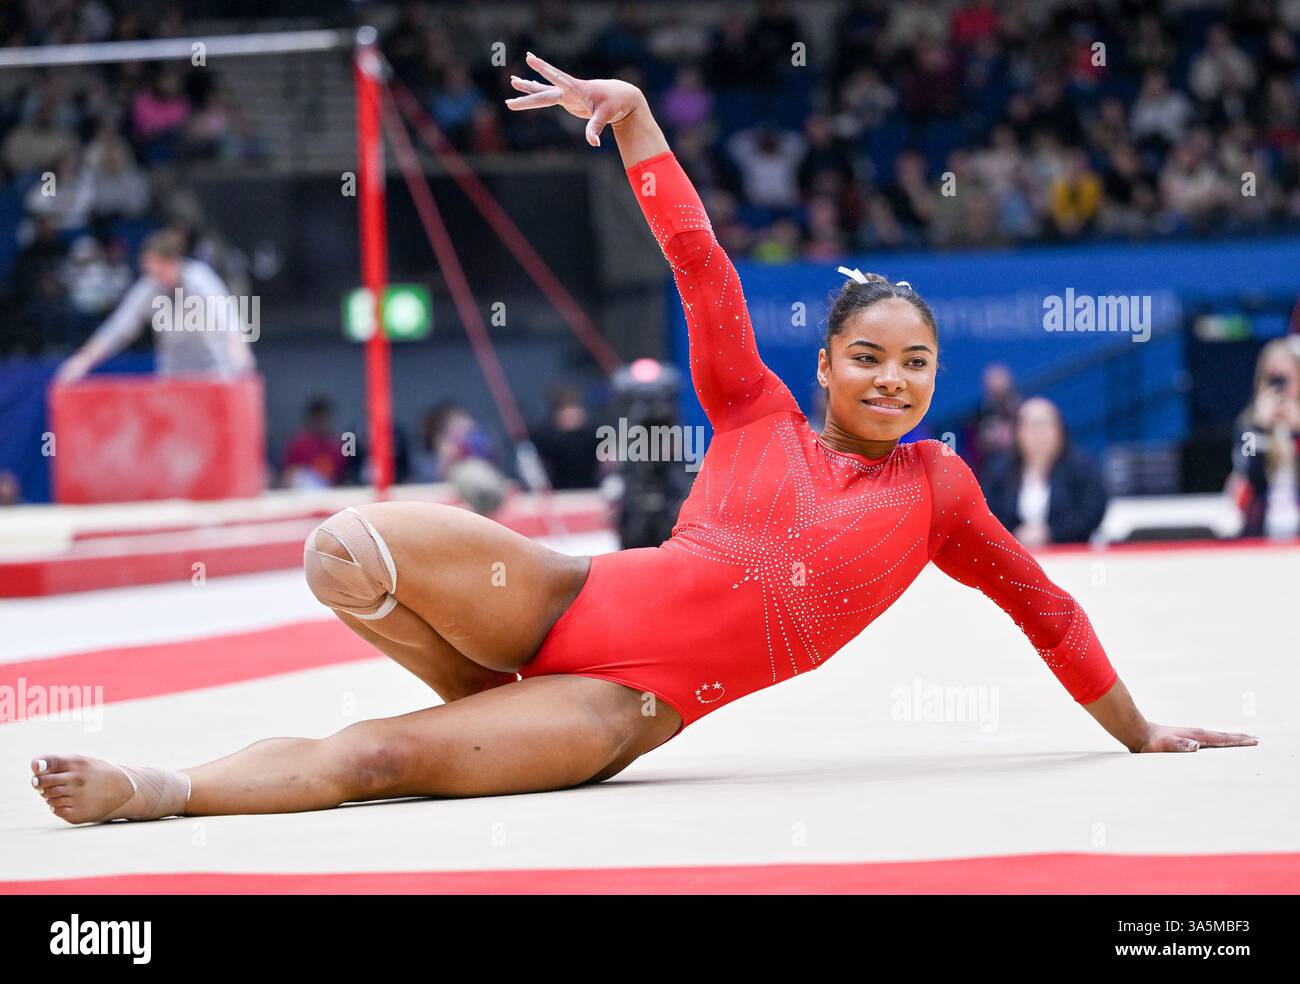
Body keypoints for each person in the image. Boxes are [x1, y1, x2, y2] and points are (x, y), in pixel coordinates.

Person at [31, 56, 1257, 825]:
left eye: (915, 363)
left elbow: (1041, 605)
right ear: (823, 365)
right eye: (868, 357)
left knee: (378, 764)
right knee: (341, 551)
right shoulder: (749, 403)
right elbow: (702, 269)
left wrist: (1137, 728)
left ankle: (165, 789)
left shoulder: (938, 490)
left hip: (628, 702)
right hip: (558, 597)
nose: (892, 379)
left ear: (934, 379)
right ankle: (487, 708)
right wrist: (633, 127)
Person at [53, 229, 256, 382]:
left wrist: (241, 352)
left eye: (156, 265)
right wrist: (83, 360)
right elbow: (119, 327)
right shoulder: (150, 287)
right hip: (175, 376)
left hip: (216, 374)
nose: (151, 272)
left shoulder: (200, 280)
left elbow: (228, 318)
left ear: (172, 262)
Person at [980, 397, 1108, 546]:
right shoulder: (1000, 472)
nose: (1039, 433)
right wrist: (1015, 534)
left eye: (1045, 425)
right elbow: (987, 512)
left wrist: (1051, 532)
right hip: (1012, 555)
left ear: (1060, 430)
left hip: (1070, 555)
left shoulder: (1082, 468)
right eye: (1032, 425)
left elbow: (1092, 512)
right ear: (1018, 432)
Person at [1227, 338, 1300, 540]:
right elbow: (1249, 473)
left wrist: (1296, 432)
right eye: (1272, 379)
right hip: (1261, 530)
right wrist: (1260, 429)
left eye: (1285, 379)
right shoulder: (1249, 426)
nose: (1279, 388)